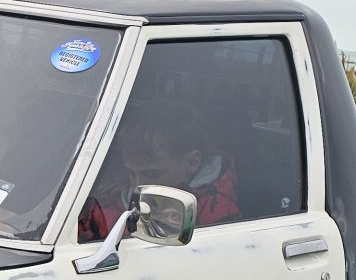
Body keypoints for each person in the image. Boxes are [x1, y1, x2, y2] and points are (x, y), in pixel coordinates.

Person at [78, 99, 240, 242]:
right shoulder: (108, 195)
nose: (137, 185)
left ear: (192, 163)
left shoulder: (216, 212)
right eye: (131, 173)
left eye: (152, 174)